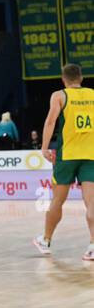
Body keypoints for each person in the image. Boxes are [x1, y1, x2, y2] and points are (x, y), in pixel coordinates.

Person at [32, 63, 94, 261]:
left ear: (63, 79)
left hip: (67, 155)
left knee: (58, 200)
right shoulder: (93, 94)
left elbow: (50, 121)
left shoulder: (59, 95)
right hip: (91, 155)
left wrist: (44, 147)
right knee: (91, 202)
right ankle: (93, 245)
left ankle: (46, 240)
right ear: (81, 78)